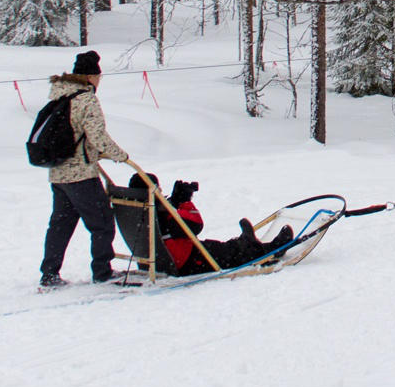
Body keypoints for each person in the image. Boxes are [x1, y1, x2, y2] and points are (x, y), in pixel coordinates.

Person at [38, 50, 130, 288]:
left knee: (60, 225)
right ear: (91, 76)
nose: (99, 81)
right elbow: (97, 135)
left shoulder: (60, 95)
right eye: (99, 77)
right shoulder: (86, 99)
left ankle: (49, 273)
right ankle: (102, 272)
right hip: (81, 174)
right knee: (102, 223)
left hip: (58, 173)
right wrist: (121, 155)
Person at [132, 173, 293, 276]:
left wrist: (172, 202)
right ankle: (272, 249)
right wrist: (184, 201)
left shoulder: (137, 210)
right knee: (231, 254)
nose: (161, 192)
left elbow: (169, 225)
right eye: (158, 190)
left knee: (219, 247)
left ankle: (244, 242)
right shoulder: (161, 213)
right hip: (185, 262)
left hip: (167, 257)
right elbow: (196, 224)